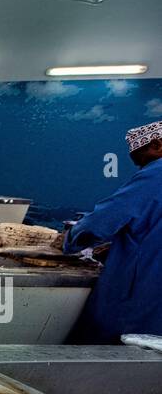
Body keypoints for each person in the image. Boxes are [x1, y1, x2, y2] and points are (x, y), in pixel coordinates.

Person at [63, 120, 162, 343]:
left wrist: (70, 239)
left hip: (142, 293)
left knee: (104, 360)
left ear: (157, 144)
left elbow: (103, 221)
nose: (142, 169)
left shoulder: (157, 173)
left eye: (144, 162)